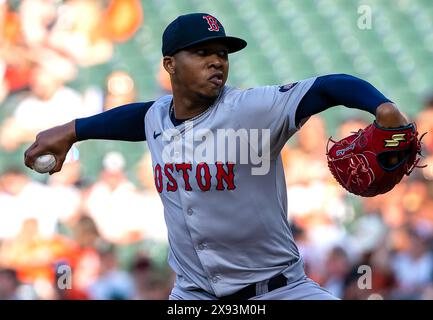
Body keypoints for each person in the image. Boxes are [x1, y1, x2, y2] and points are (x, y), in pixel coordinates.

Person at [24, 13, 409, 300]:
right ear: (169, 64)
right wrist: (73, 131)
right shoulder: (158, 116)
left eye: (222, 54)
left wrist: (383, 107)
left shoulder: (252, 109)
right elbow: (137, 118)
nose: (217, 61)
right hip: (193, 297)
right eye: (202, 52)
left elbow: (329, 87)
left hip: (277, 292)